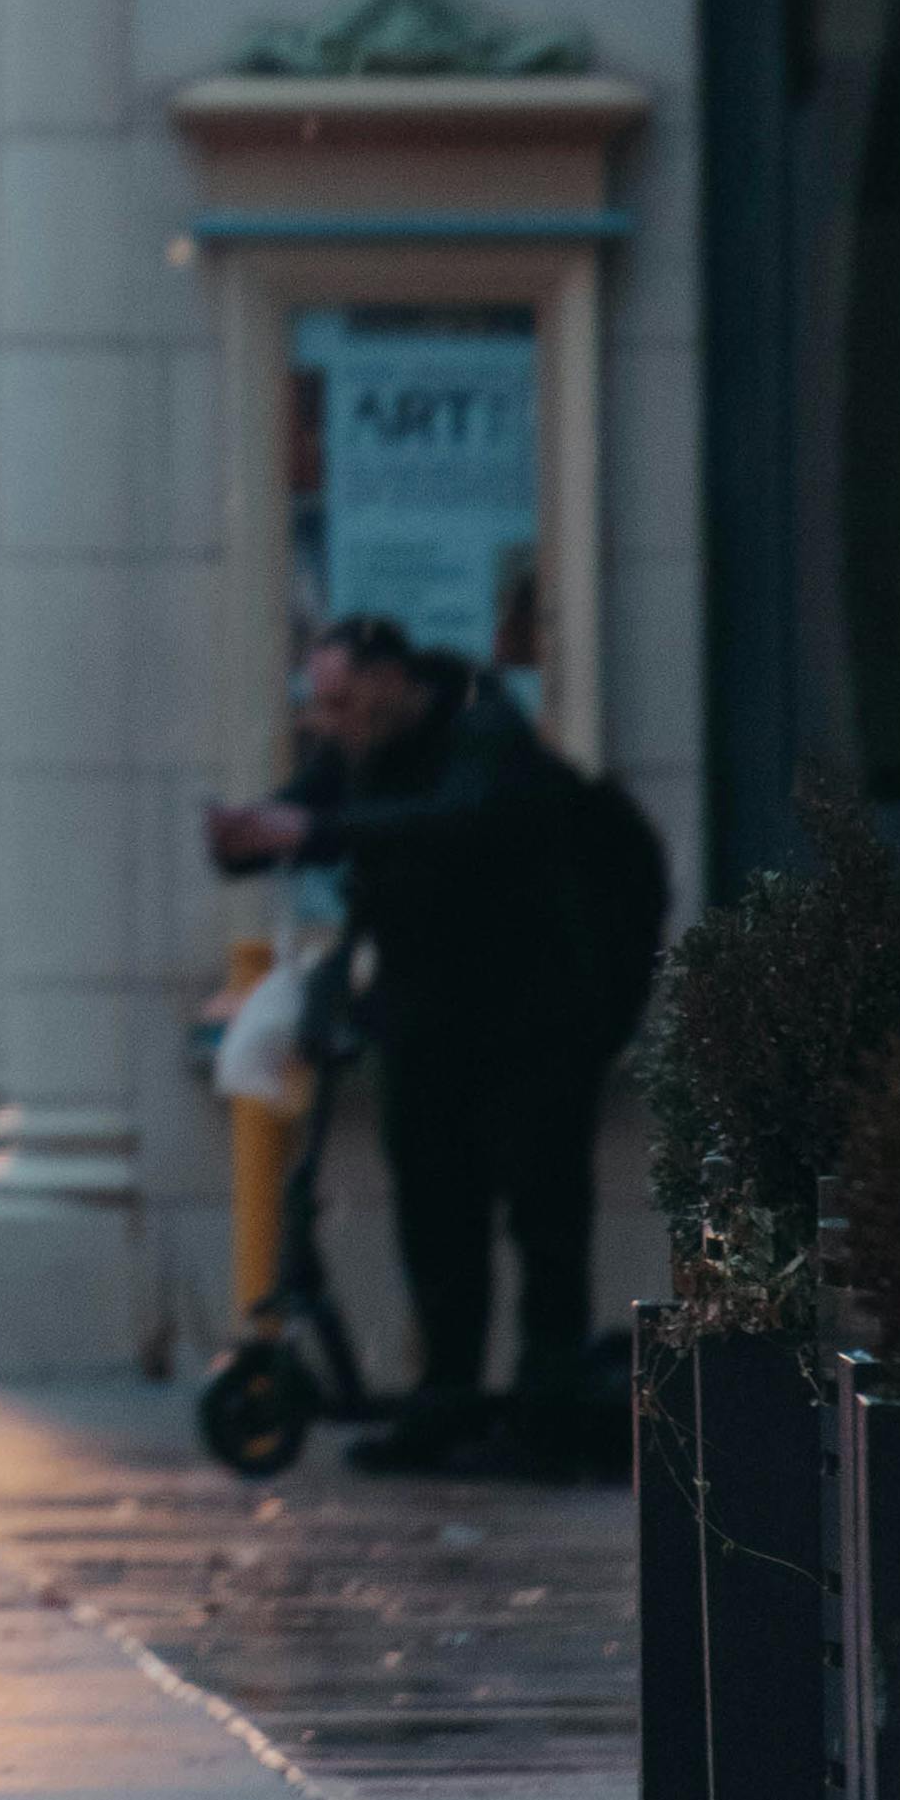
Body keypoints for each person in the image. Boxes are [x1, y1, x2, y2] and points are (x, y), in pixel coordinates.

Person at [205, 613, 621, 1473]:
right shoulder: (359, 749)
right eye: (321, 706)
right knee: (434, 1214)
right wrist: (249, 834)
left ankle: (550, 1406)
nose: (334, 722)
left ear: (394, 679)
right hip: (425, 1016)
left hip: (529, 1015)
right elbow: (308, 809)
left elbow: (454, 821)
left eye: (346, 701)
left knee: (543, 1217)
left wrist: (309, 833)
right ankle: (447, 1400)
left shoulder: (484, 727)